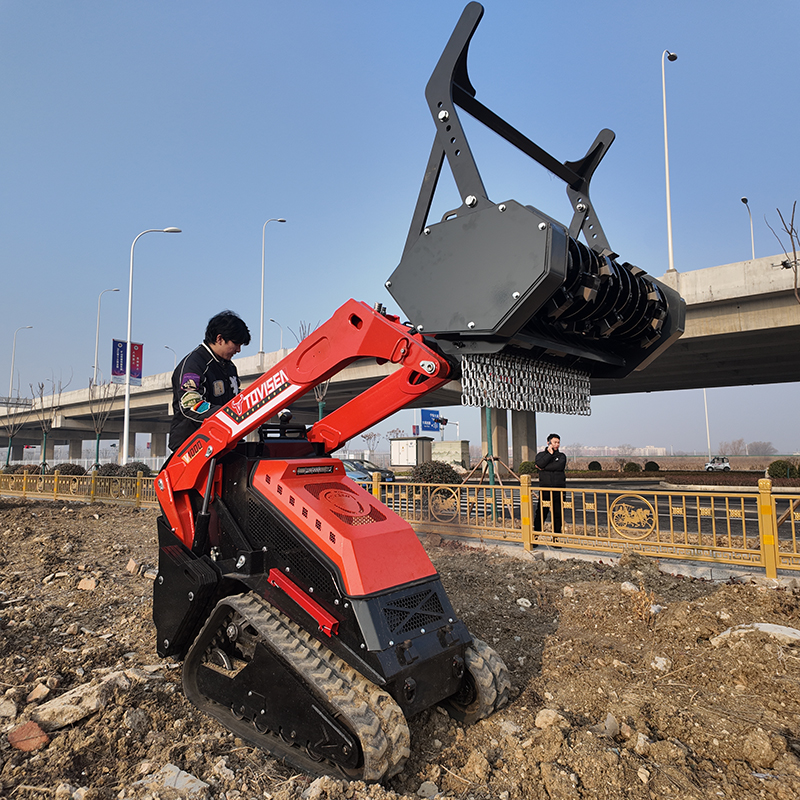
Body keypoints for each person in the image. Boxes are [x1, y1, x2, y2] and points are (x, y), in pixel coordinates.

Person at [168, 310, 251, 453]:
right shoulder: (194, 365)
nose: (238, 350)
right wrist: (227, 414)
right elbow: (191, 405)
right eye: (236, 344)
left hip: (220, 440)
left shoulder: (229, 367)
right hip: (192, 444)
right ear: (220, 339)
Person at [532, 433, 567, 535]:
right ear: (548, 443)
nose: (557, 444)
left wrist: (543, 467)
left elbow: (559, 467)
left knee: (558, 514)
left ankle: (556, 538)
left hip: (558, 489)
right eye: (554, 442)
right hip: (545, 489)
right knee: (541, 513)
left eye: (558, 442)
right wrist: (549, 454)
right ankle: (536, 536)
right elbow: (539, 463)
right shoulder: (541, 455)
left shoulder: (562, 456)